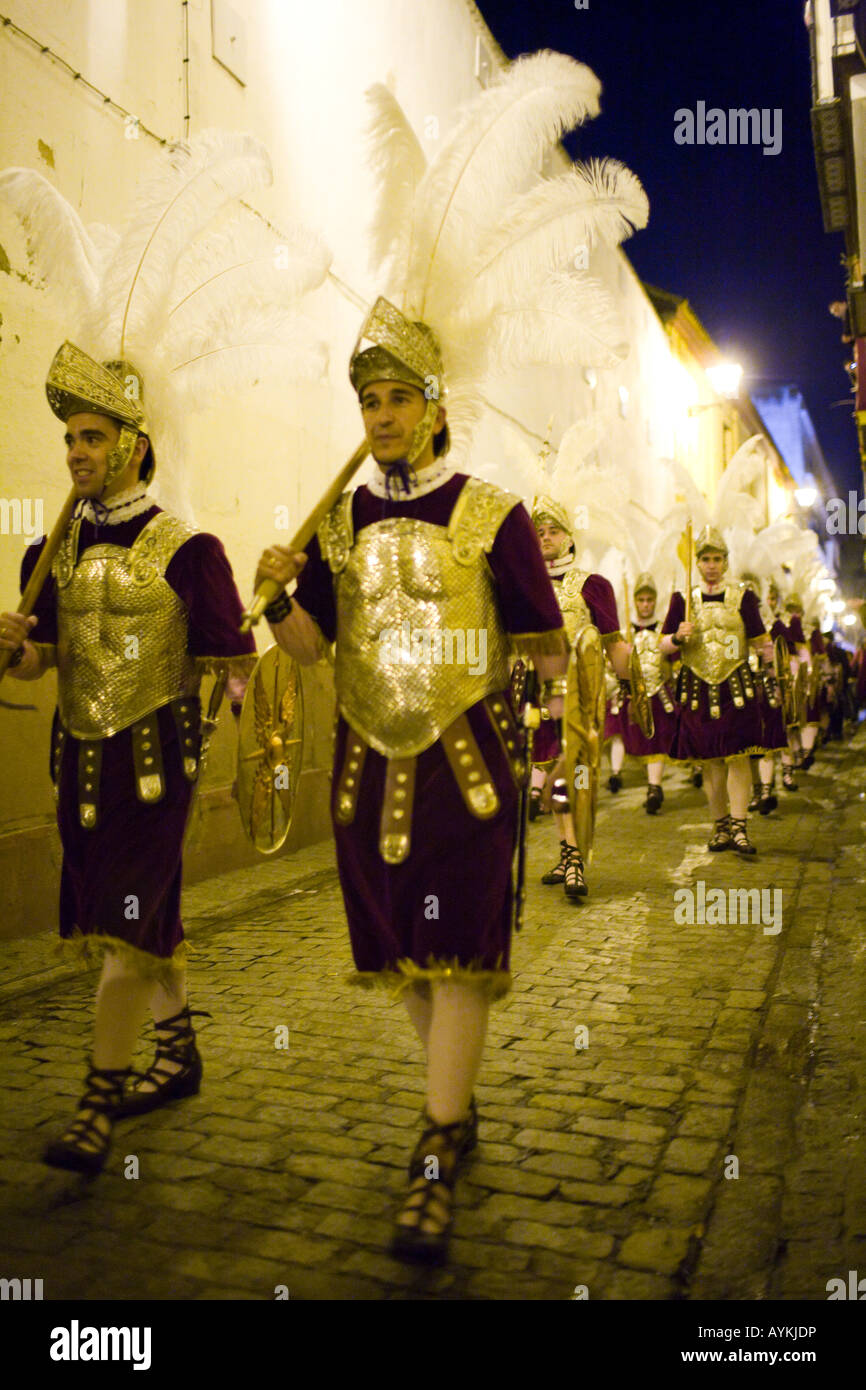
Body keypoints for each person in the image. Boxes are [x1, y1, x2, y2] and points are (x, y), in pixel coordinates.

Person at [254, 299, 569, 1263]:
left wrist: (540, 661)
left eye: (398, 400)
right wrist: (275, 601)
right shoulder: (340, 526)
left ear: (434, 409)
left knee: (461, 950)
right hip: (364, 773)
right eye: (369, 402)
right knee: (402, 953)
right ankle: (454, 1100)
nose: (381, 417)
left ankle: (434, 1145)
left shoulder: (494, 513)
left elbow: (548, 653)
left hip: (464, 770)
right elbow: (315, 650)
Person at [1, 344, 256, 1174]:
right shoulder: (50, 552)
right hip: (76, 765)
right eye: (71, 438)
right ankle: (178, 1053)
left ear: (135, 444)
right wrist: (15, 648)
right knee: (143, 923)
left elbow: (234, 659)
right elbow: (43, 662)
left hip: (158, 766)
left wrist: (233, 677)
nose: (77, 451)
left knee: (122, 927)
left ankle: (98, 1098)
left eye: (93, 437)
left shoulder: (190, 550)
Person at [531, 501, 631, 895]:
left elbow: (612, 645)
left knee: (574, 777)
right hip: (538, 702)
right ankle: (567, 852)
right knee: (554, 780)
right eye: (539, 533)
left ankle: (575, 859)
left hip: (581, 701)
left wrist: (634, 675)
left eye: (554, 531)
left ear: (570, 537)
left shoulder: (593, 585)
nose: (546, 539)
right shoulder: (526, 586)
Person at [660, 527, 773, 855]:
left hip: (736, 687)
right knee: (711, 761)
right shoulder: (682, 599)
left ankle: (740, 827)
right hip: (697, 688)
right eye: (705, 559)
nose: (711, 565)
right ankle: (720, 825)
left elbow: (760, 641)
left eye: (717, 559)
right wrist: (677, 637)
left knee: (737, 758)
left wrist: (773, 670)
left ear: (725, 562)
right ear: (696, 563)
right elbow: (662, 646)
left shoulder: (743, 596)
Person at [621, 574, 677, 814]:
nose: (645, 604)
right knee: (641, 743)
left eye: (649, 600)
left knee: (658, 740)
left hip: (659, 693)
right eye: (641, 599)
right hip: (635, 695)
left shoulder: (664, 630)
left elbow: (675, 659)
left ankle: (654, 787)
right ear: (634, 601)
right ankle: (650, 783)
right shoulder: (625, 631)